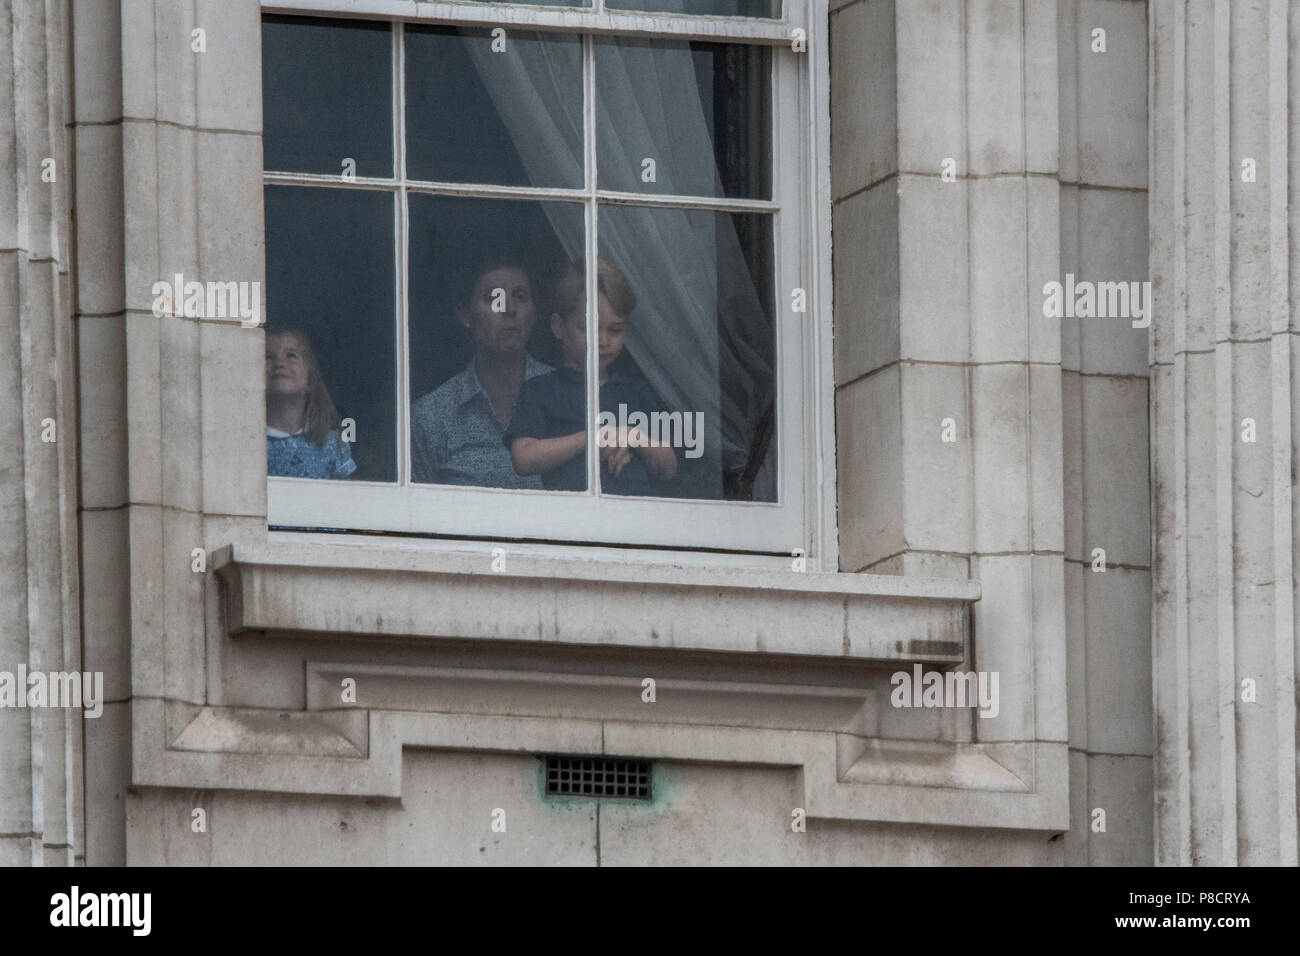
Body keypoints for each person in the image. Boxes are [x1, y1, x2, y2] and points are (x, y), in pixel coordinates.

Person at [504, 258, 677, 495]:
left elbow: (668, 469)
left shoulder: (635, 391)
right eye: (589, 329)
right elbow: (523, 458)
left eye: (615, 330)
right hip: (571, 520)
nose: (603, 341)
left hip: (633, 520)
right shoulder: (541, 390)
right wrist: (594, 438)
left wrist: (633, 436)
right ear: (558, 327)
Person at [411, 257, 551, 487]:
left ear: (534, 313)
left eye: (520, 297)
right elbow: (419, 516)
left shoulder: (568, 396)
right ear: (466, 315)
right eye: (493, 298)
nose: (508, 309)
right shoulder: (430, 418)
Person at [265, 328, 356, 480]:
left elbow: (345, 498)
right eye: (268, 356)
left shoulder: (333, 444)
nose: (279, 363)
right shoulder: (248, 442)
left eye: (291, 355)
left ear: (310, 379)